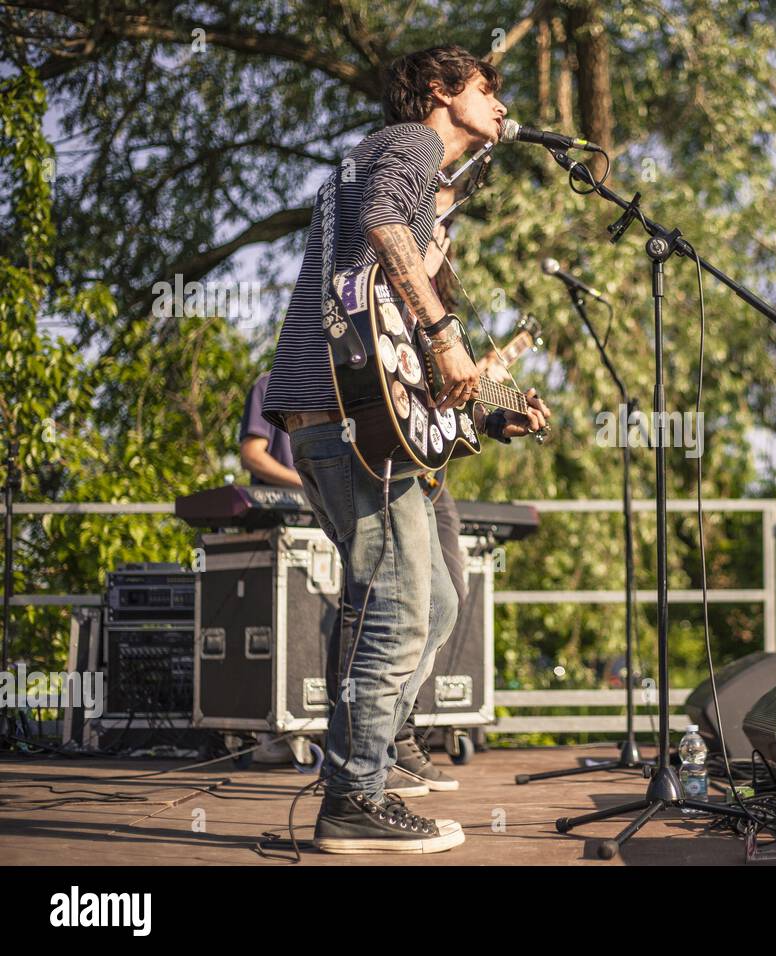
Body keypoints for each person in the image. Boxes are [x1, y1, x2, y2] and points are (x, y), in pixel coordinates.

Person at [261, 45, 551, 855]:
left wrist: (492, 412)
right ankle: (357, 794)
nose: (498, 106)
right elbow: (388, 233)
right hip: (343, 414)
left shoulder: (410, 189)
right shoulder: (412, 145)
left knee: (433, 603)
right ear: (439, 93)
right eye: (486, 90)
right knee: (396, 600)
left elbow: (394, 343)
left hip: (352, 412)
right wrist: (449, 334)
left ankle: (366, 769)